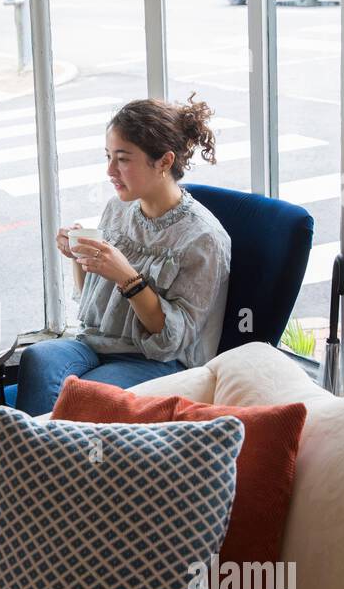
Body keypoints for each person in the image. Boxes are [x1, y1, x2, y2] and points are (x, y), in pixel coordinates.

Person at [15, 96, 231, 416]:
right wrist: (79, 256)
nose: (110, 171)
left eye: (123, 159)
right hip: (96, 344)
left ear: (164, 162)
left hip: (157, 362)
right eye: (108, 157)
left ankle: (36, 456)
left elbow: (173, 339)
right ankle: (42, 454)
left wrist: (127, 278)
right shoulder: (119, 208)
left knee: (84, 395)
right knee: (37, 358)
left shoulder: (203, 239)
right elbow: (89, 297)